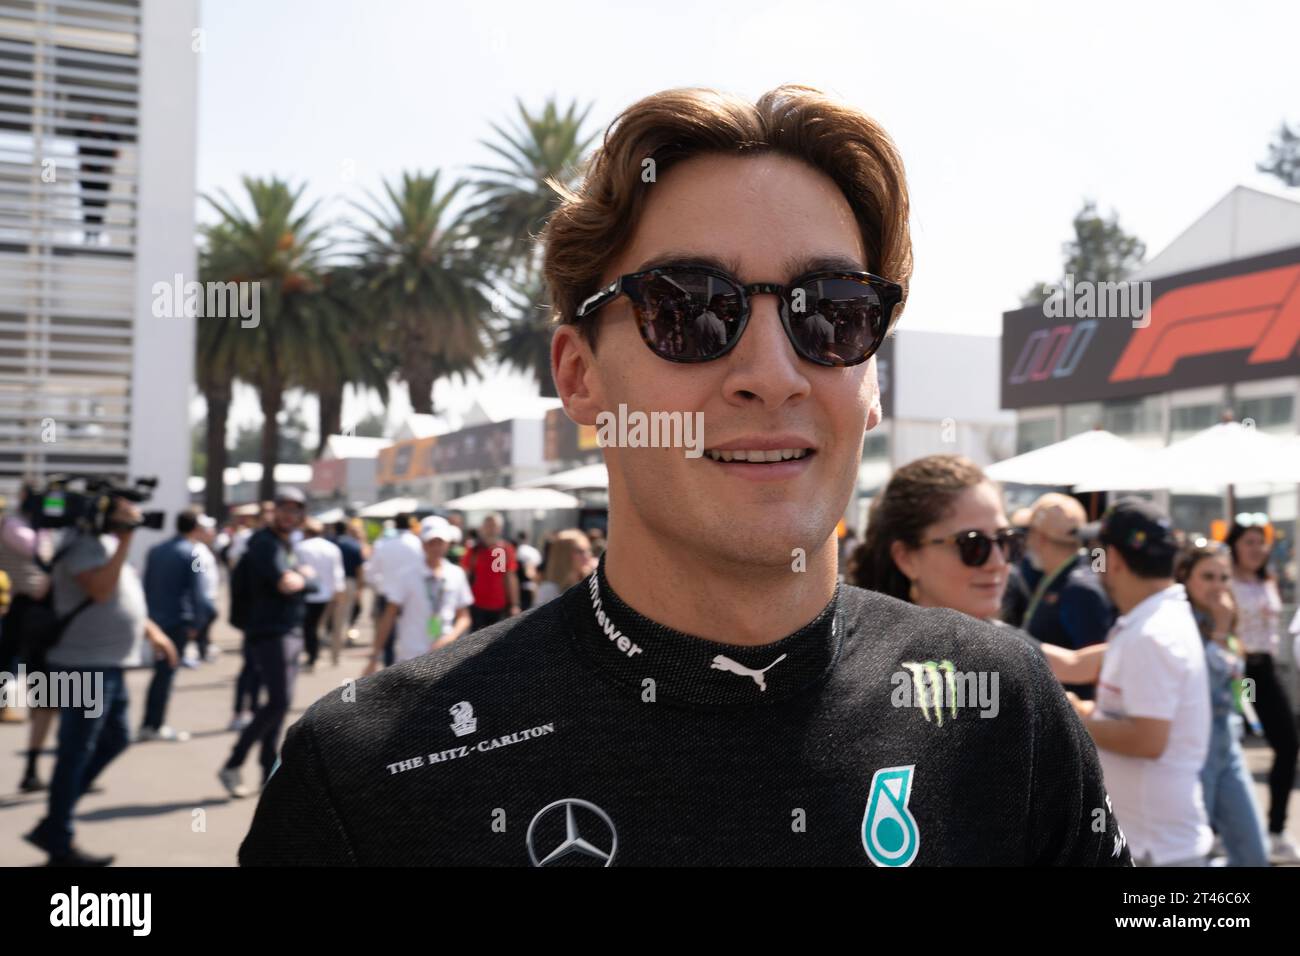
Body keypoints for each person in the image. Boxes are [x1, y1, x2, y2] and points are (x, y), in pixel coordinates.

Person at [240, 85, 1128, 866]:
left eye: (835, 314)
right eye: (692, 309)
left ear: (871, 384)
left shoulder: (1004, 711)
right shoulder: (367, 774)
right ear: (580, 375)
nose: (774, 371)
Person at [24, 497, 178, 866]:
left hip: (107, 664)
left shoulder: (105, 544)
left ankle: (55, 821)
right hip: (78, 665)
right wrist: (126, 539)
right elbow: (101, 590)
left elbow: (121, 597)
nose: (135, 516)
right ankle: (58, 842)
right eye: (126, 510)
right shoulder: (81, 544)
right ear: (106, 512)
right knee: (73, 753)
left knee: (116, 738)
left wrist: (152, 631)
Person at [1069, 498, 1211, 867]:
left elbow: (1148, 739)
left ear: (1114, 559)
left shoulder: (1151, 633)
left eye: (1098, 553)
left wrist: (1078, 721)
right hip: (1157, 842)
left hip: (1154, 851)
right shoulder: (1154, 620)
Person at [1174, 541, 1269, 867]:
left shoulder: (1225, 617)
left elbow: (1239, 681)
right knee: (1189, 854)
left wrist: (1248, 713)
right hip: (1193, 751)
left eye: (1224, 578)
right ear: (1186, 578)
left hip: (1229, 747)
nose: (1218, 586)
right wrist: (1221, 630)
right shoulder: (1179, 623)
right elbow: (1201, 683)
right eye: (1208, 576)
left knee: (1255, 855)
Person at [218, 488, 311, 799]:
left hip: (287, 630)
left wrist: (302, 577)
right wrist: (304, 577)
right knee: (279, 701)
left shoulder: (284, 543)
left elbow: (302, 581)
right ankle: (233, 762)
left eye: (296, 510)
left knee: (278, 704)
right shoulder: (264, 542)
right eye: (284, 509)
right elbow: (288, 583)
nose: (289, 515)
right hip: (270, 632)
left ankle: (267, 771)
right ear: (273, 511)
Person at [1226, 514, 1300, 863]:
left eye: (1261, 542)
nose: (1256, 549)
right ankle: (1228, 830)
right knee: (1234, 743)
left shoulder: (1267, 580)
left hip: (1265, 671)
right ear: (1235, 546)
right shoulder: (1224, 580)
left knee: (1288, 743)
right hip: (1240, 673)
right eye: (1249, 542)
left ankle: (1275, 829)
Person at [1013, 493, 1115, 699]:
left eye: (1029, 533)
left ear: (1040, 538)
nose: (1027, 541)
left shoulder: (1079, 589)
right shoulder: (1063, 577)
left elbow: (1093, 669)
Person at [0, 499, 58, 790]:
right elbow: (41, 553)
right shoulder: (17, 529)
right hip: (27, 609)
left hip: (27, 610)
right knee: (12, 664)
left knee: (14, 665)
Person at [138, 507, 210, 742]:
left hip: (156, 620)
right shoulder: (194, 554)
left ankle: (150, 722)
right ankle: (154, 724)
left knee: (160, 673)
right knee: (166, 674)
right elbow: (199, 592)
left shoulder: (156, 550)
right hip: (179, 620)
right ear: (195, 527)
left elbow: (147, 585)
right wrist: (199, 623)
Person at [364, 520, 472, 674]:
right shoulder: (407, 574)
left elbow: (464, 615)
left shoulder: (456, 573)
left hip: (446, 655)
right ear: (423, 544)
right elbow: (389, 615)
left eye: (440, 542)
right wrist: (374, 657)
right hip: (412, 655)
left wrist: (451, 637)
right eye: (431, 542)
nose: (435, 547)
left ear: (447, 544)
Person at [367, 514, 422, 667]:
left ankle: (389, 670)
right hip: (412, 596)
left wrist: (382, 587)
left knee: (387, 637)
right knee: (413, 632)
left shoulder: (384, 544)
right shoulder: (417, 544)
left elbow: (371, 574)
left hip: (388, 594)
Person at [295, 519, 344, 673]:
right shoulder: (332, 548)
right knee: (321, 626)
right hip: (327, 594)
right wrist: (338, 592)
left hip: (307, 593)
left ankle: (312, 655)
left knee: (309, 627)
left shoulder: (301, 547)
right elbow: (337, 573)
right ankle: (321, 654)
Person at [460, 514, 519, 631]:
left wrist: (514, 604)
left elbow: (509, 577)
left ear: (499, 528)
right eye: (487, 525)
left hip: (498, 605)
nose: (490, 529)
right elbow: (465, 575)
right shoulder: (474, 549)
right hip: (476, 604)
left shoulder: (504, 549)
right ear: (482, 528)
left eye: (493, 526)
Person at [329, 520, 365, 660]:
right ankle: (337, 651)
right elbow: (359, 569)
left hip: (331, 583)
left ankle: (325, 645)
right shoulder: (353, 545)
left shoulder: (330, 543)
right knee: (344, 616)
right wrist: (360, 589)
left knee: (330, 617)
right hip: (349, 582)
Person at [535, 529, 594, 605]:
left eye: (588, 550)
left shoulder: (591, 584)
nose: (587, 556)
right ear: (564, 555)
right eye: (580, 551)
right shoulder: (549, 589)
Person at [514, 531, 542, 611]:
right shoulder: (534, 551)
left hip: (520, 586)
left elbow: (527, 571)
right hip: (533, 585)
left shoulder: (518, 550)